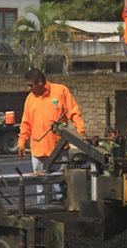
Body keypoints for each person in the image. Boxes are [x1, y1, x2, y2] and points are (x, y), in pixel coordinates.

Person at [17, 68, 86, 204]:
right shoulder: (30, 99)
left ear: (41, 82)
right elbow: (25, 122)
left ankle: (64, 213)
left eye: (32, 85)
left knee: (60, 185)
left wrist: (81, 131)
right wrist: (21, 142)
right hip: (38, 151)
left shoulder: (60, 91)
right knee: (41, 188)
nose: (30, 89)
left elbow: (74, 111)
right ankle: (43, 215)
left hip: (58, 150)